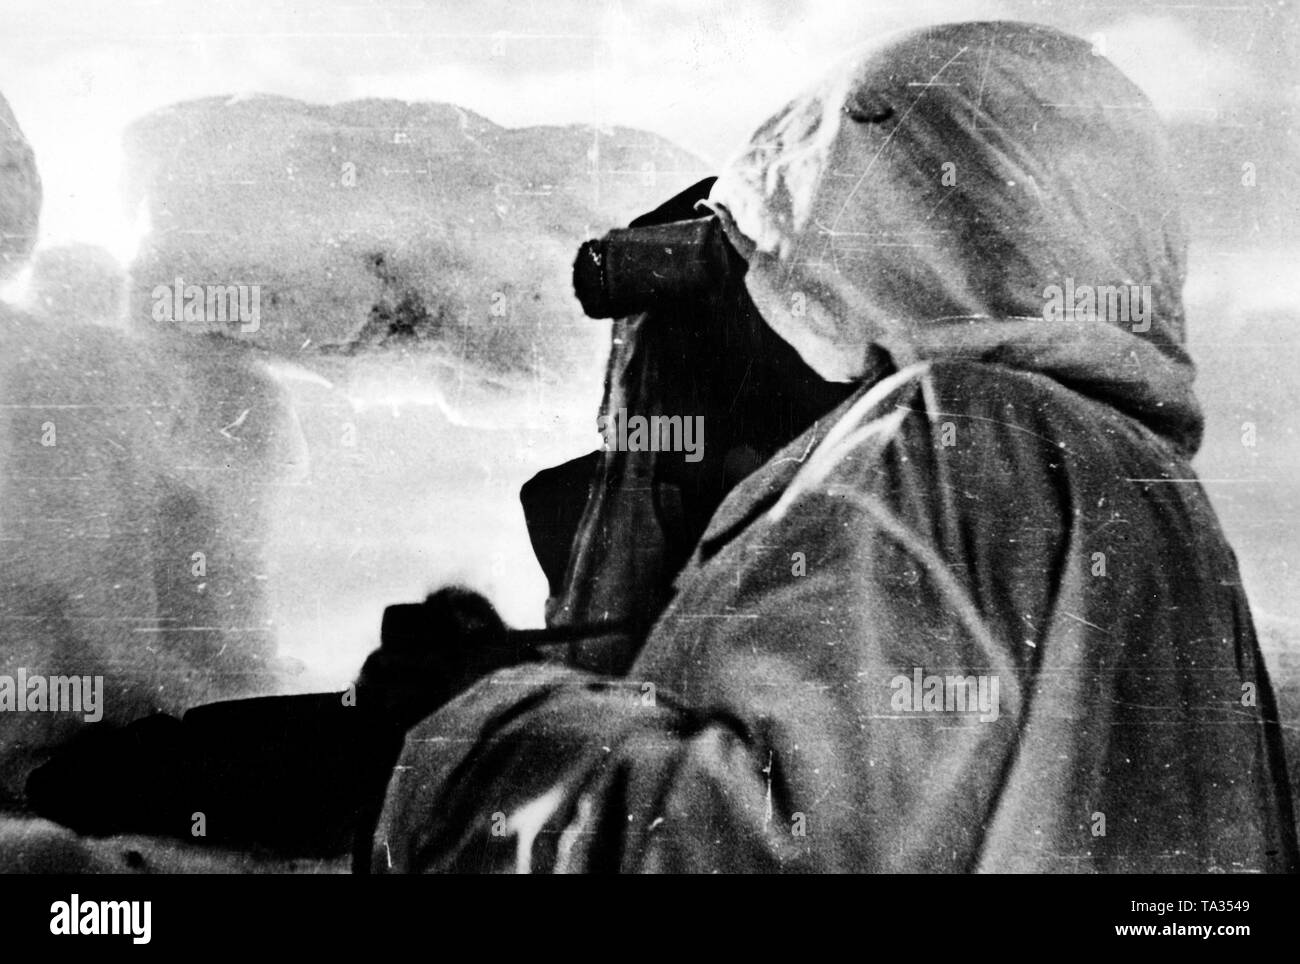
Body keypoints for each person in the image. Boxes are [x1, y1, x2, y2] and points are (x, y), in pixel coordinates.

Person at [368, 21, 1298, 873]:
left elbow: (755, 848)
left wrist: (475, 717)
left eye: (789, 249)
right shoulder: (1145, 497)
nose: (784, 292)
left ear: (909, 218)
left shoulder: (953, 436)